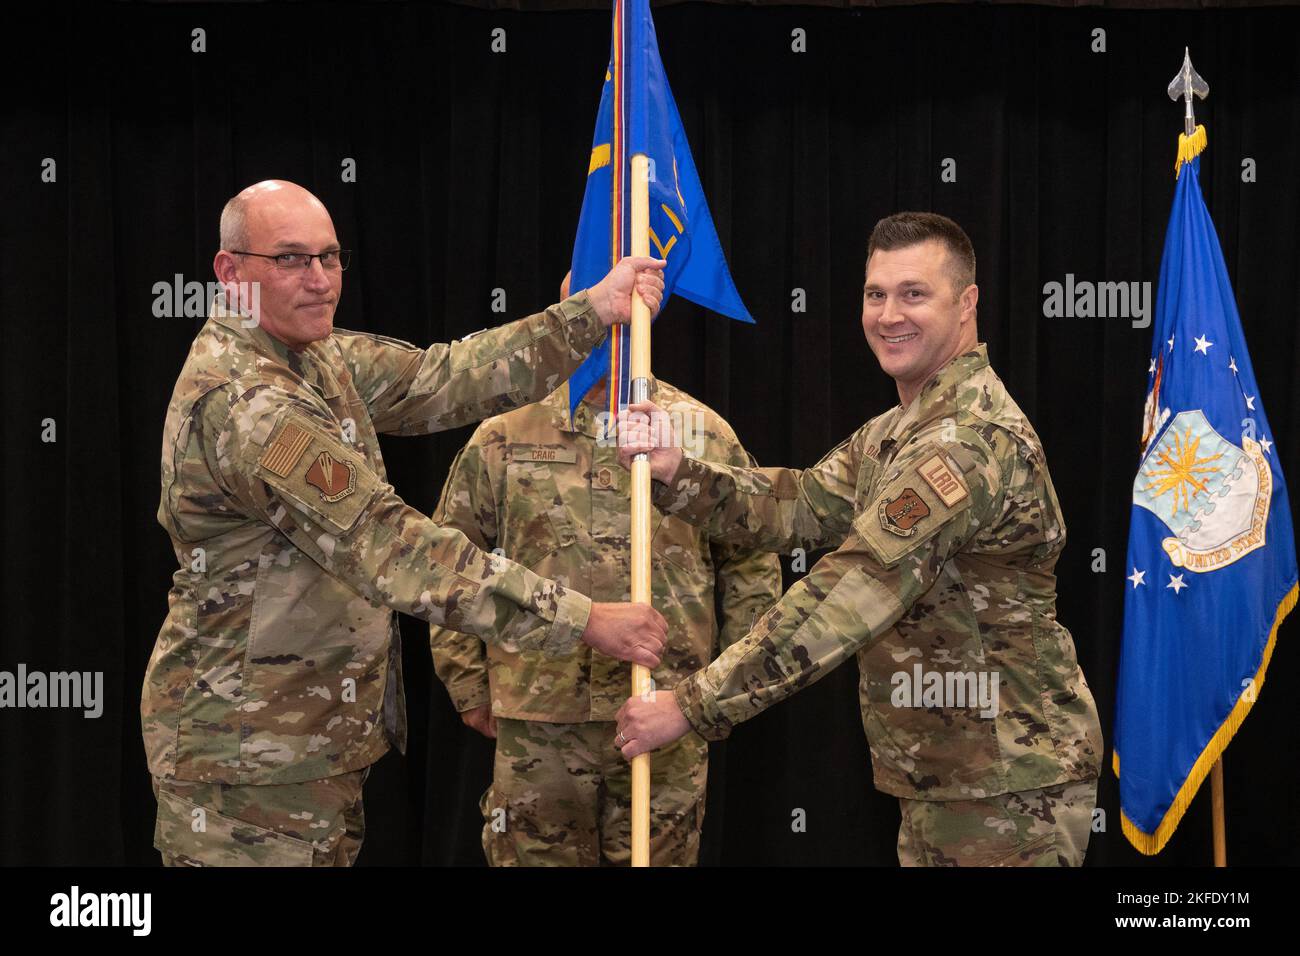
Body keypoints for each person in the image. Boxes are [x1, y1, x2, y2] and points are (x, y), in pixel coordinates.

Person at [143, 179, 668, 866]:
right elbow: (391, 546)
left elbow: (441, 377)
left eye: (331, 258)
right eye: (293, 260)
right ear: (230, 271)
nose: (321, 279)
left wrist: (591, 311)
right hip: (246, 771)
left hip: (301, 747)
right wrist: (582, 619)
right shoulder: (250, 406)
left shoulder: (309, 352)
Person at [615, 212, 1104, 867]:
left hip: (1005, 788)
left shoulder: (967, 446)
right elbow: (797, 507)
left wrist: (695, 705)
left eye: (913, 294)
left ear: (967, 305)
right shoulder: (895, 431)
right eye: (876, 294)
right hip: (947, 778)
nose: (888, 314)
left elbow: (846, 592)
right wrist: (679, 473)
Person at [429, 274, 783, 866]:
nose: (609, 321)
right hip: (538, 716)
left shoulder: (700, 434)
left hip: (665, 711)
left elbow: (750, 566)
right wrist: (467, 685)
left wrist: (722, 693)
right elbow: (449, 563)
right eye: (593, 301)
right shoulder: (504, 435)